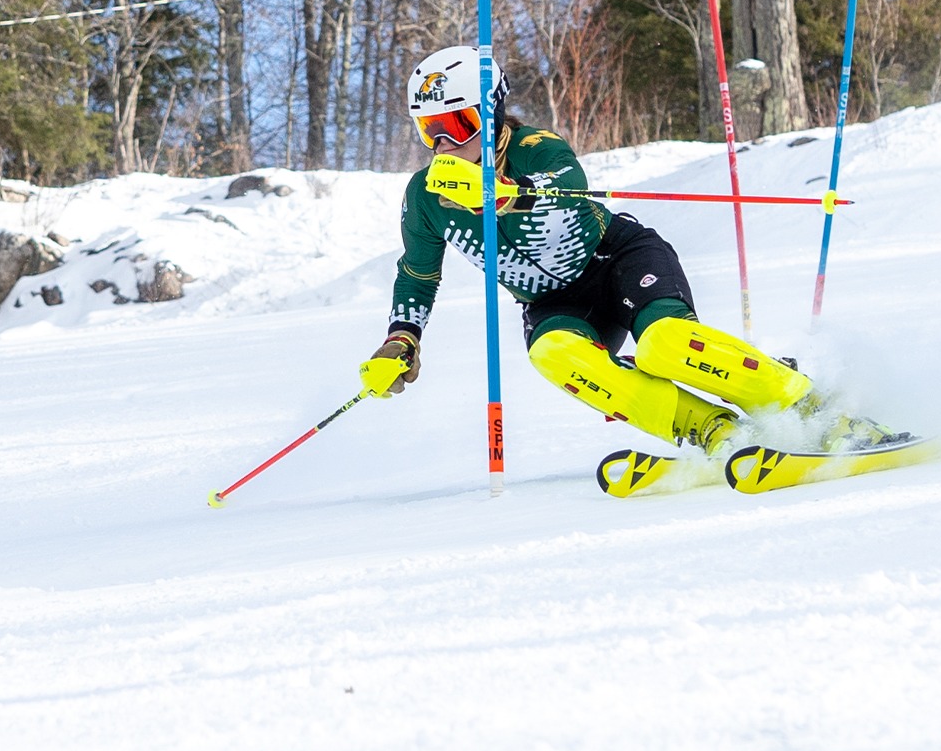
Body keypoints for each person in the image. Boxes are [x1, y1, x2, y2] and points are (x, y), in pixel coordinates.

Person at [359, 46, 888, 489]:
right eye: (431, 131)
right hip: (554, 300)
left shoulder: (535, 149)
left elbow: (564, 189)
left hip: (617, 258)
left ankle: (818, 411)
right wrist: (401, 339)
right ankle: (713, 431)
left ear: (492, 112)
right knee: (552, 354)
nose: (446, 145)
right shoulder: (424, 197)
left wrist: (500, 198)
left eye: (458, 124)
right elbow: (418, 273)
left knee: (666, 345)